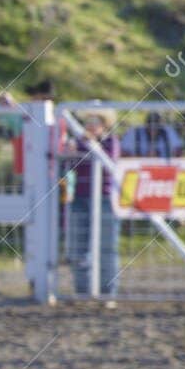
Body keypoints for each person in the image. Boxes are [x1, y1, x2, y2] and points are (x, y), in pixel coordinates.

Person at [71, 109, 120, 302]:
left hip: (105, 199)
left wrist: (83, 146)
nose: (90, 125)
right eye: (88, 121)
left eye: (95, 121)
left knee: (107, 248)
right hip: (81, 197)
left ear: (104, 124)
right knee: (79, 248)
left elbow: (106, 160)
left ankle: (108, 293)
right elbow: (73, 163)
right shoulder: (79, 142)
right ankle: (82, 291)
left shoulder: (111, 142)